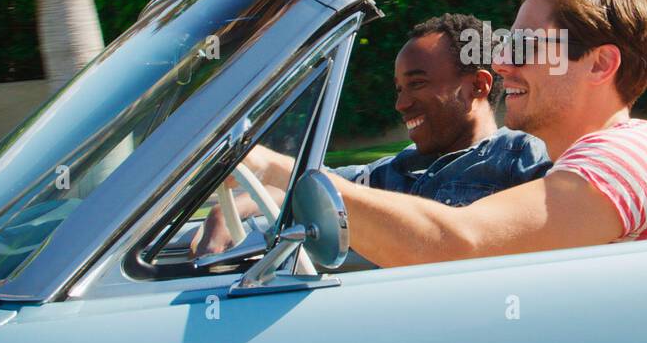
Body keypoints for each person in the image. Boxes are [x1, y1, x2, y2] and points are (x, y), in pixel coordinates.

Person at [325, 0, 647, 268]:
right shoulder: (604, 157)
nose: (502, 62)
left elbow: (456, 246)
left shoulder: (627, 156)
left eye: (525, 46)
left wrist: (291, 178)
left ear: (599, 65)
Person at [190, 13, 551, 256]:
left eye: (418, 84)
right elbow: (315, 186)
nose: (401, 104)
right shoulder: (391, 171)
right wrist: (225, 212)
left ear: (477, 85)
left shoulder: (522, 158)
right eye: (398, 89)